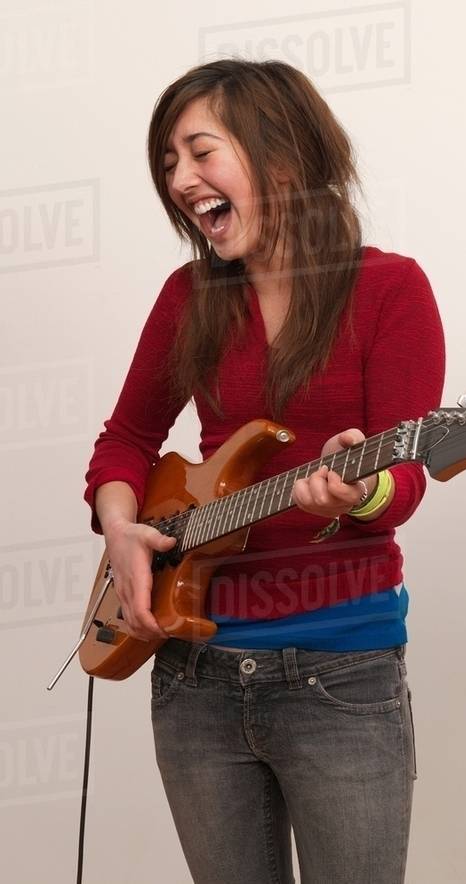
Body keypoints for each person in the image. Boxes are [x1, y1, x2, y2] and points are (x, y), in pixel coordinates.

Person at [83, 58, 445, 884]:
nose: (181, 180)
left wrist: (361, 491)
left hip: (342, 676)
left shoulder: (390, 290)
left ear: (280, 155)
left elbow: (408, 479)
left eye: (199, 152)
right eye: (168, 163)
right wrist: (122, 529)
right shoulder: (189, 297)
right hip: (194, 675)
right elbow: (126, 440)